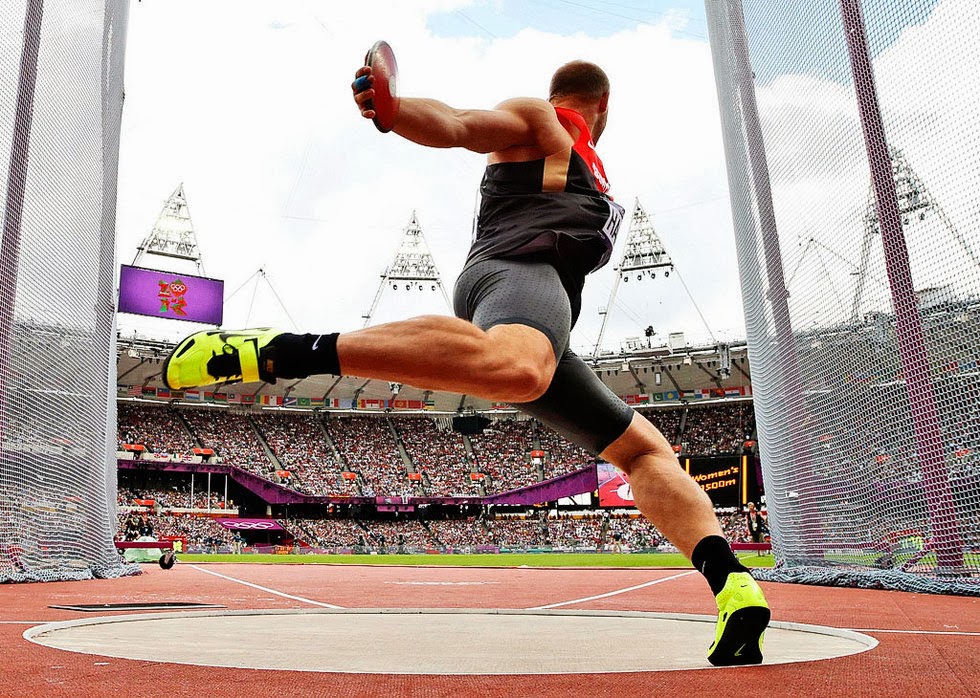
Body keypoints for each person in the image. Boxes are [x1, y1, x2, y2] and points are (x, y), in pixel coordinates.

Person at [162, 55, 769, 665]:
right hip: (513, 275)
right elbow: (459, 124)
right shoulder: (540, 117)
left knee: (644, 451)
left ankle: (732, 585)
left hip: (548, 315)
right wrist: (395, 112)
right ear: (603, 106)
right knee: (519, 370)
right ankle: (279, 351)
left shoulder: (591, 163)